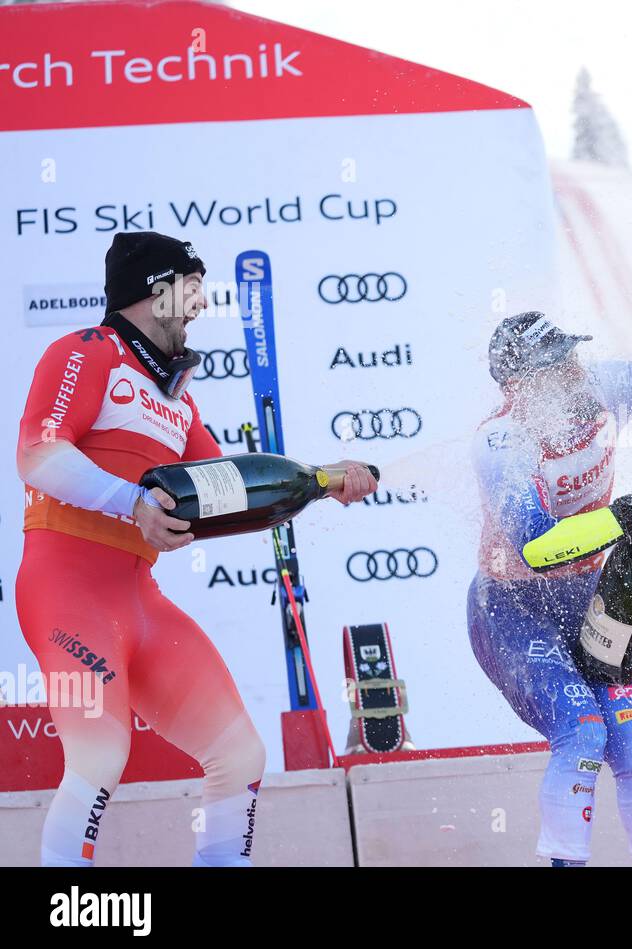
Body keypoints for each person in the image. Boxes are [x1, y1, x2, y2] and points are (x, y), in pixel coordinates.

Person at [16, 231, 377, 866]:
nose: (202, 304)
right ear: (155, 292)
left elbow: (234, 493)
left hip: (137, 597)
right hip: (66, 587)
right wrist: (132, 502)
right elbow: (38, 455)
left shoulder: (178, 403)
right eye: (191, 288)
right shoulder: (86, 351)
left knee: (239, 755)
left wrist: (323, 482)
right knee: (98, 757)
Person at [466, 311, 632, 866]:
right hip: (511, 610)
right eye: (558, 367)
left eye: (572, 358)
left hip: (589, 598)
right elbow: (537, 547)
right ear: (520, 387)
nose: (575, 372)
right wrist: (628, 514)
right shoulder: (501, 442)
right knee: (582, 732)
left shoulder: (602, 388)